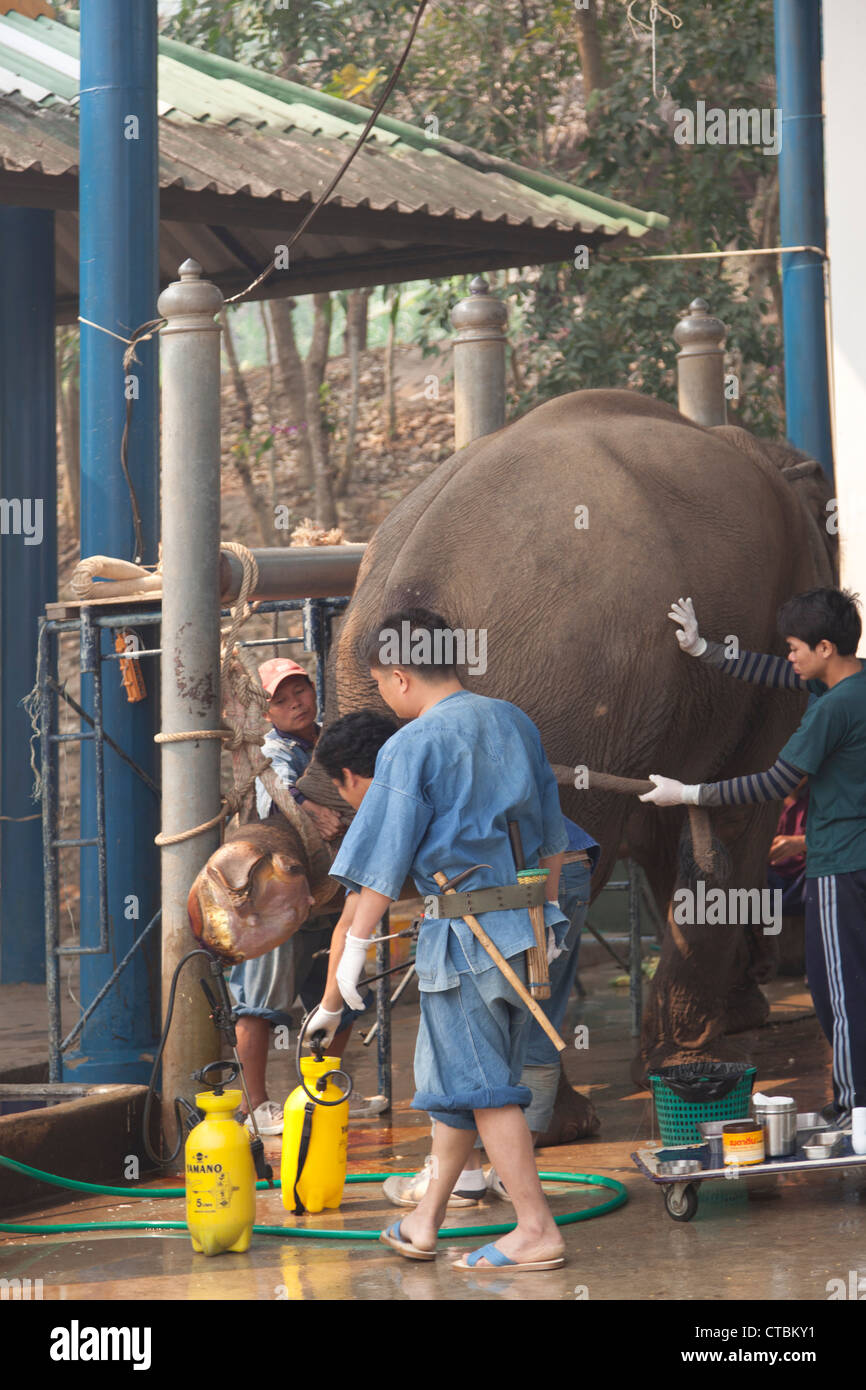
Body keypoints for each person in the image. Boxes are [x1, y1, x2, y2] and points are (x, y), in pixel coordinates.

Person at [307, 606, 573, 1272]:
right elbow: (554, 840)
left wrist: (351, 964)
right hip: (528, 930)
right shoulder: (514, 720)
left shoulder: (411, 744)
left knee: (484, 1089)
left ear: (398, 677)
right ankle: (424, 1222)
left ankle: (536, 1227)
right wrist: (545, 920)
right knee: (461, 1086)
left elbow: (379, 867)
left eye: (380, 683)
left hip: (465, 941)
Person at [309, 711, 600, 1207]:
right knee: (522, 1032)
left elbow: (352, 917)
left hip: (502, 899)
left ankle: (499, 1201)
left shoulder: (399, 782)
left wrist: (331, 1006)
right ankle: (497, 1183)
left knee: (467, 1064)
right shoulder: (477, 736)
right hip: (551, 878)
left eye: (343, 795)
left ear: (351, 779)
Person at [640, 589, 866, 1123]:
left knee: (839, 991)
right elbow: (772, 671)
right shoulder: (847, 681)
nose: (789, 657)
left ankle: (856, 1107)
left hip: (840, 864)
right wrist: (704, 650)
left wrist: (688, 794)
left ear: (826, 647)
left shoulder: (832, 709)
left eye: (795, 647)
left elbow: (776, 782)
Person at [227, 657, 361, 1136]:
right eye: (280, 700)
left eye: (299, 691)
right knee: (259, 1004)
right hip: (276, 900)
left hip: (331, 894)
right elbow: (275, 794)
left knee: (338, 1001)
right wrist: (311, 808)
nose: (295, 704)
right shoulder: (267, 752)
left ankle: (320, 1092)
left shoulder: (334, 741)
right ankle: (254, 1106)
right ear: (267, 714)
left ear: (313, 690)